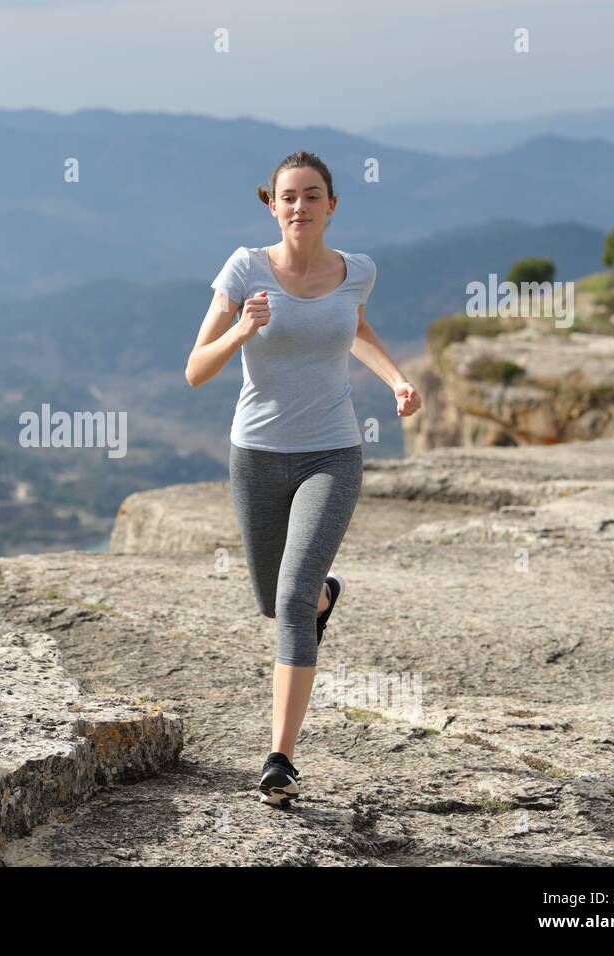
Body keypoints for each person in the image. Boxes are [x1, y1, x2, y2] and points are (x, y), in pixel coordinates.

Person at [185, 150, 422, 807]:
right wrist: (241, 329)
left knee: (289, 601)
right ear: (272, 204)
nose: (299, 207)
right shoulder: (244, 269)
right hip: (257, 455)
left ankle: (280, 759)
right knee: (276, 599)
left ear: (332, 205)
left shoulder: (357, 272)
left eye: (312, 196)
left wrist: (397, 379)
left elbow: (357, 328)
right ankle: (323, 596)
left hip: (332, 453)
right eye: (288, 197)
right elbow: (195, 370)